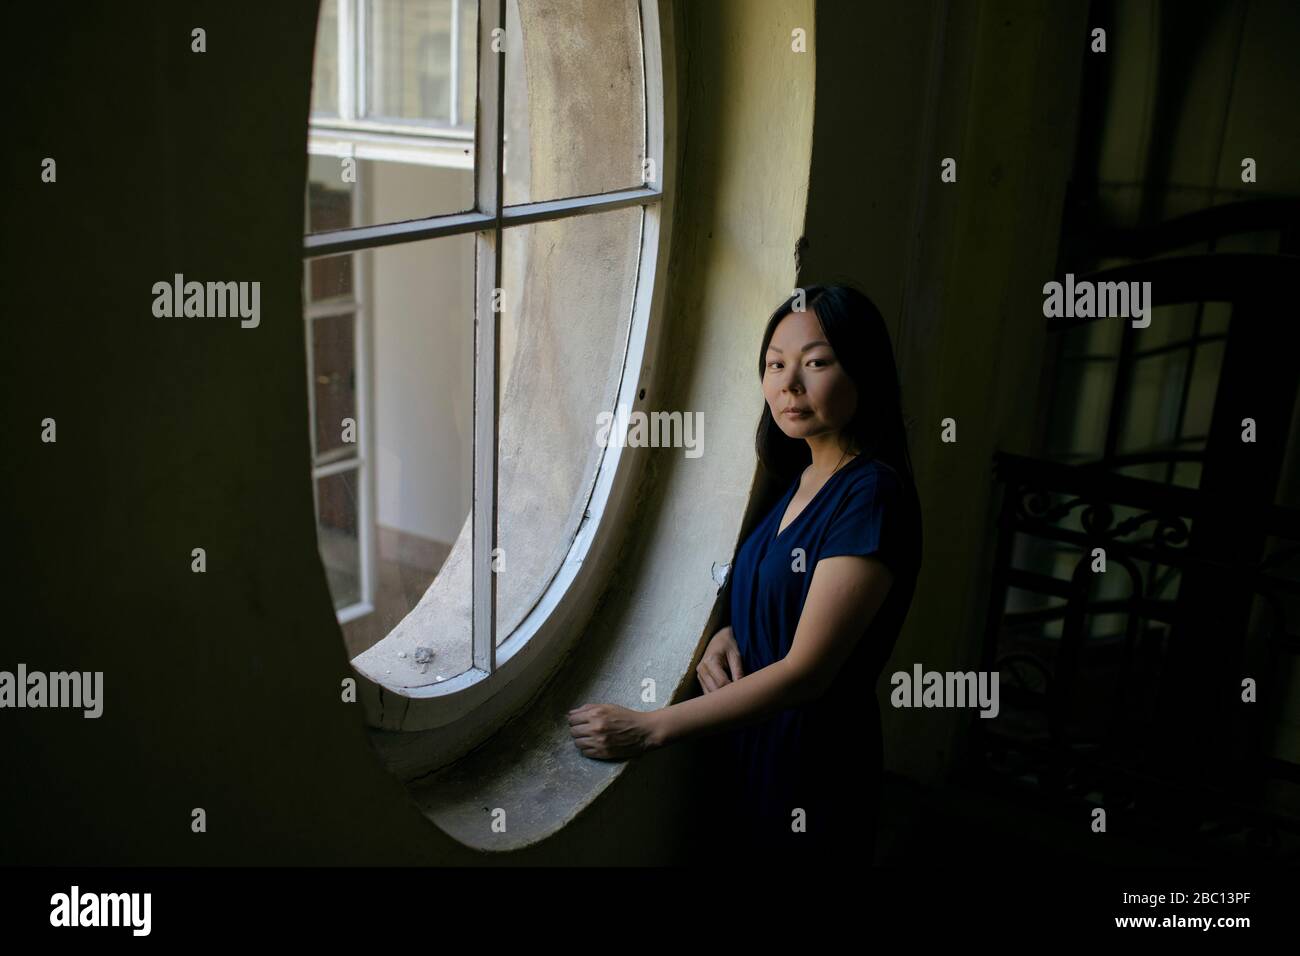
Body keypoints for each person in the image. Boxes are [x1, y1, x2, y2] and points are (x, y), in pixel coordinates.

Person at [567, 284, 923, 865]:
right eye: (775, 365)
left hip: (810, 764)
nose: (789, 384)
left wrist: (651, 728)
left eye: (816, 363)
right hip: (745, 744)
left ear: (864, 370)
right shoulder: (798, 479)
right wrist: (729, 632)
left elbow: (808, 673)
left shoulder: (870, 494)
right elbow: (776, 592)